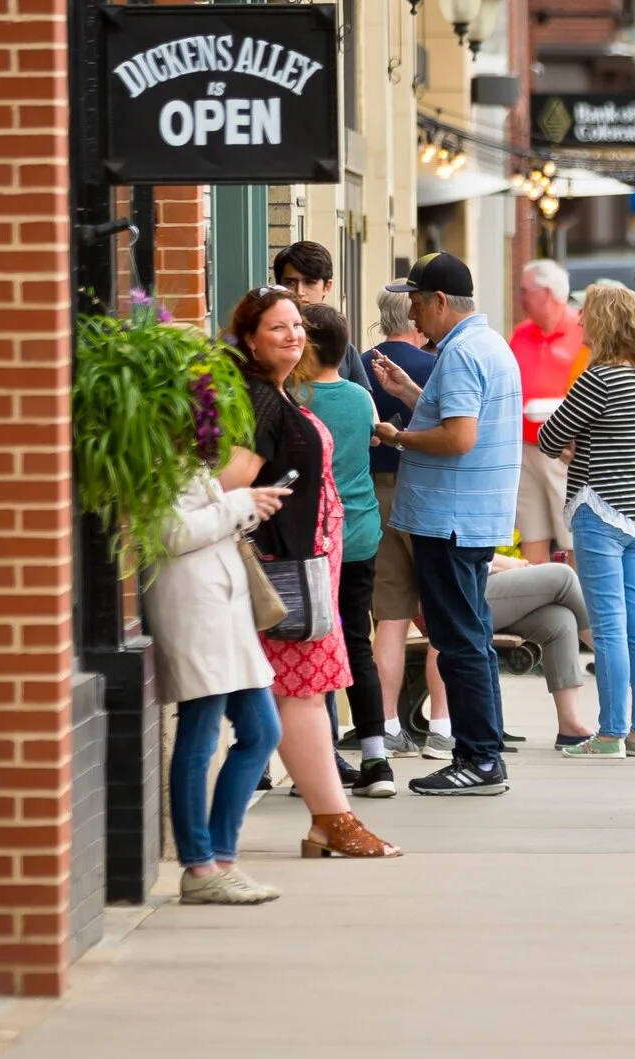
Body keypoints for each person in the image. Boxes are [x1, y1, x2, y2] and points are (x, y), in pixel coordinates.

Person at [220, 286, 400, 858]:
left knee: (294, 699)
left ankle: (325, 821)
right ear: (250, 340)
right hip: (284, 571)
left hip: (307, 565)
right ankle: (330, 821)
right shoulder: (261, 402)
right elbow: (226, 486)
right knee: (298, 696)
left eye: (297, 325)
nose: (293, 335)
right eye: (278, 327)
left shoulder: (279, 395)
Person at [370, 252, 523, 797]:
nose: (412, 315)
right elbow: (458, 418)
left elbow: (458, 437)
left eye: (415, 302)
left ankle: (478, 759)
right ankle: (484, 752)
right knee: (472, 636)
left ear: (439, 301)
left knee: (458, 641)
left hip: (449, 520)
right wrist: (408, 395)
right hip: (471, 517)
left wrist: (397, 437)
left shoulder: (458, 354)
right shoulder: (488, 345)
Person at [147, 473, 289, 902]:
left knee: (262, 731)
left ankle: (222, 859)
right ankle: (199, 866)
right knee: (200, 736)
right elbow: (169, 533)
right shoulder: (157, 454)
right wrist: (240, 503)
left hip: (225, 608)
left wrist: (248, 506)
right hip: (195, 608)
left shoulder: (188, 454)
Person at [538, 286, 635, 759]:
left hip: (600, 509)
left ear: (605, 322)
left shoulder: (598, 378)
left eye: (586, 315)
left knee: (608, 627)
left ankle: (611, 733)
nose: (579, 322)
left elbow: (550, 437)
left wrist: (573, 446)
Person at [298, 303, 395, 797]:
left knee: (308, 645)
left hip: (312, 539)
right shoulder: (361, 397)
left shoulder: (293, 397)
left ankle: (319, 759)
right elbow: (374, 440)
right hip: (359, 532)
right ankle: (377, 759)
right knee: (357, 640)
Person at [362, 289, 442, 758]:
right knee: (442, 618)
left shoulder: (359, 366)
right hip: (426, 491)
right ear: (415, 320)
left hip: (375, 495)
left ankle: (388, 724)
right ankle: (443, 727)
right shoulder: (437, 366)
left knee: (389, 619)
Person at [509, 259, 584, 565]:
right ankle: (539, 593)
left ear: (547, 293)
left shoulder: (581, 331)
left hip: (564, 450)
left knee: (573, 537)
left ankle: (578, 595)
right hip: (525, 447)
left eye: (525, 291)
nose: (520, 298)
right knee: (531, 533)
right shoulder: (521, 334)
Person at [483, 555, 595, 745]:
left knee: (560, 620)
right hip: (458, 591)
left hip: (480, 582)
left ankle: (570, 727)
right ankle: (611, 654)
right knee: (563, 576)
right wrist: (512, 564)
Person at [273, 241, 372, 391]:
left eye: (309, 282)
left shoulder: (342, 348)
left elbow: (362, 401)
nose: (299, 291)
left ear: (327, 286)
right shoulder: (269, 342)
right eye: (290, 282)